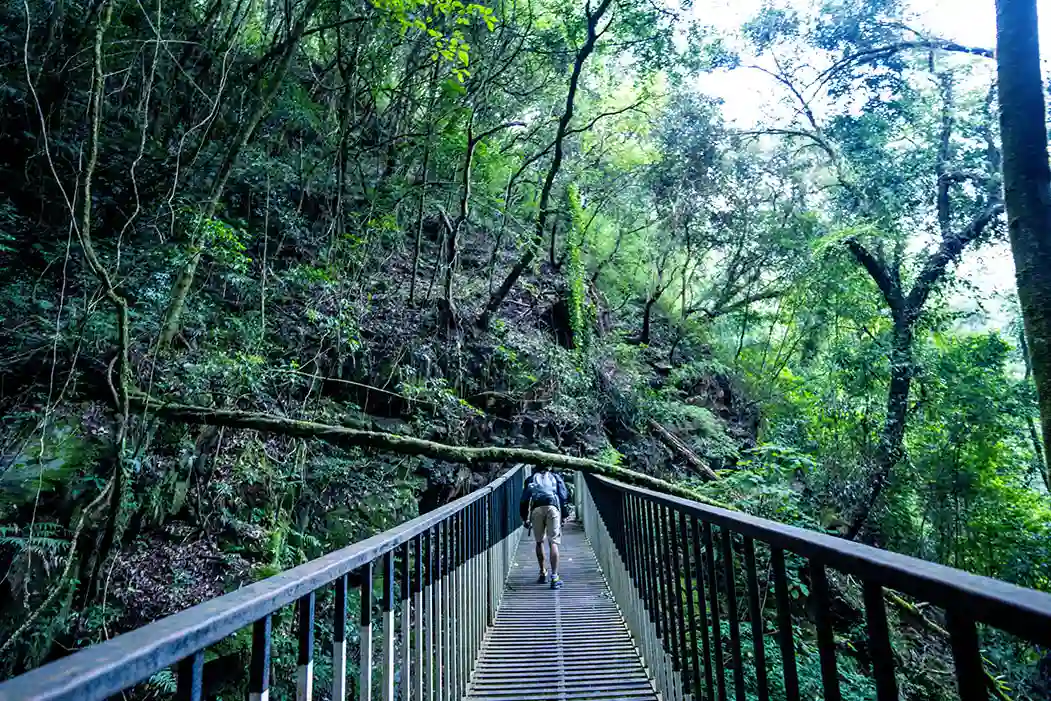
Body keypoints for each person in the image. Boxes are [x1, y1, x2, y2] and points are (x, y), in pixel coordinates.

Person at [519, 465, 569, 589]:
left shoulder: (531, 478)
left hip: (537, 509)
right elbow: (563, 496)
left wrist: (525, 517)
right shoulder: (555, 477)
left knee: (539, 542)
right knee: (553, 542)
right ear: (550, 467)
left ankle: (542, 572)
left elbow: (524, 499)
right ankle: (555, 577)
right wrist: (564, 515)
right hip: (552, 508)